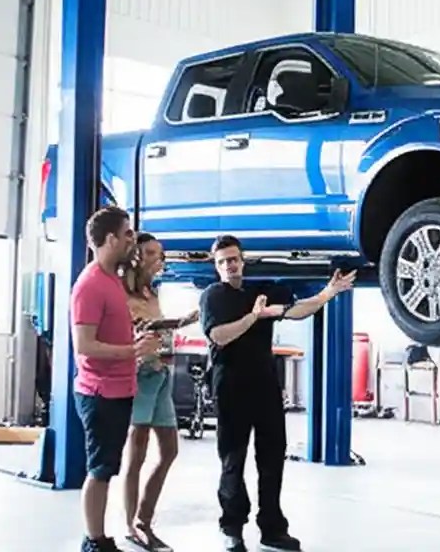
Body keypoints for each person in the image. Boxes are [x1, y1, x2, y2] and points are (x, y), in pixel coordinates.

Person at [200, 235, 356, 552]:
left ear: (242, 260)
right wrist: (254, 316)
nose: (229, 266)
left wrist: (328, 292)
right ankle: (232, 527)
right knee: (232, 459)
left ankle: (272, 528)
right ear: (216, 266)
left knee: (272, 458)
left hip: (265, 384)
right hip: (230, 386)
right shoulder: (213, 296)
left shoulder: (262, 291)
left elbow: (296, 310)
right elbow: (219, 336)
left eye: (233, 259)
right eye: (223, 261)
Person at [70, 206, 161, 552]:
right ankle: (93, 541)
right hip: (100, 393)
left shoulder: (112, 280)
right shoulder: (90, 285)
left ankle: (99, 538)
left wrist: (134, 339)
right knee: (100, 469)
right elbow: (84, 345)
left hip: (119, 390)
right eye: (127, 234)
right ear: (110, 239)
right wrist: (133, 350)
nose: (131, 240)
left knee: (107, 466)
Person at [120, 232, 199, 551]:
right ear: (137, 257)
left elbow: (153, 327)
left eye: (161, 253)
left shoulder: (152, 293)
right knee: (136, 454)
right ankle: (131, 526)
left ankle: (144, 519)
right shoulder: (122, 293)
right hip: (139, 377)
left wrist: (181, 322)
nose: (160, 259)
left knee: (169, 450)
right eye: (153, 253)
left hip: (161, 374)